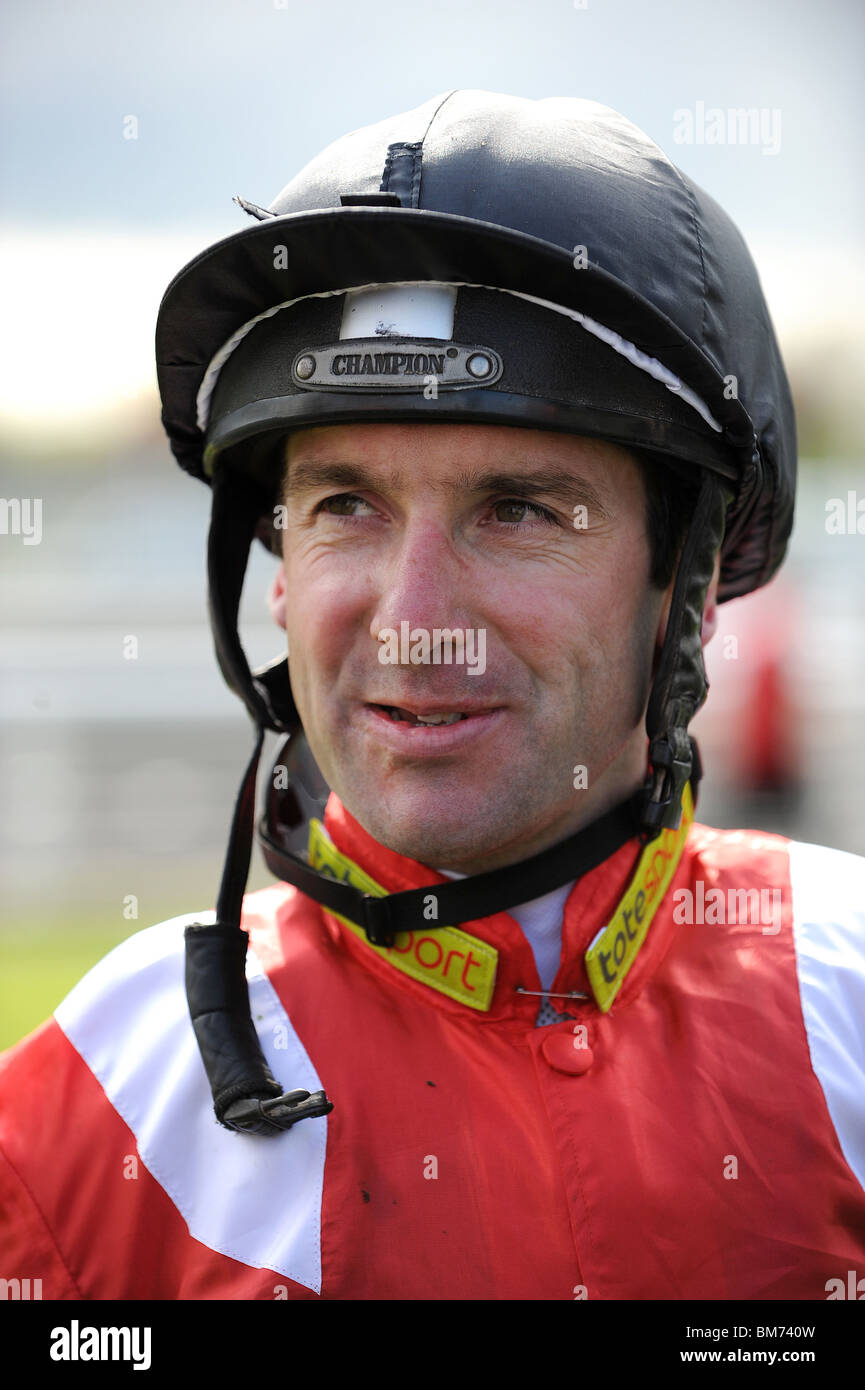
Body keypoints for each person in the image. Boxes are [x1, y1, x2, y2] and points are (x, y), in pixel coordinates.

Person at [1, 90, 864, 1302]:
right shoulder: (85, 1115)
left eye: (517, 509)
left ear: (692, 582)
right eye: (345, 504)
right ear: (280, 572)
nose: (413, 619)